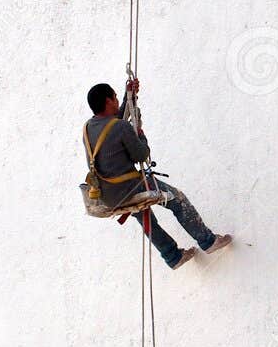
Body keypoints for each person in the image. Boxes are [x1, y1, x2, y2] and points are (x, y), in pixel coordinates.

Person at [83, 78, 232, 271]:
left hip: (109, 195)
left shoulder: (88, 127)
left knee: (144, 216)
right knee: (177, 199)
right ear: (108, 101)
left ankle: (173, 256)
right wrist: (140, 134)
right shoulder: (121, 128)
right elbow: (141, 154)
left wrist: (130, 97)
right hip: (130, 187)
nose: (118, 100)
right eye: (116, 97)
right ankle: (208, 241)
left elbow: (113, 126)